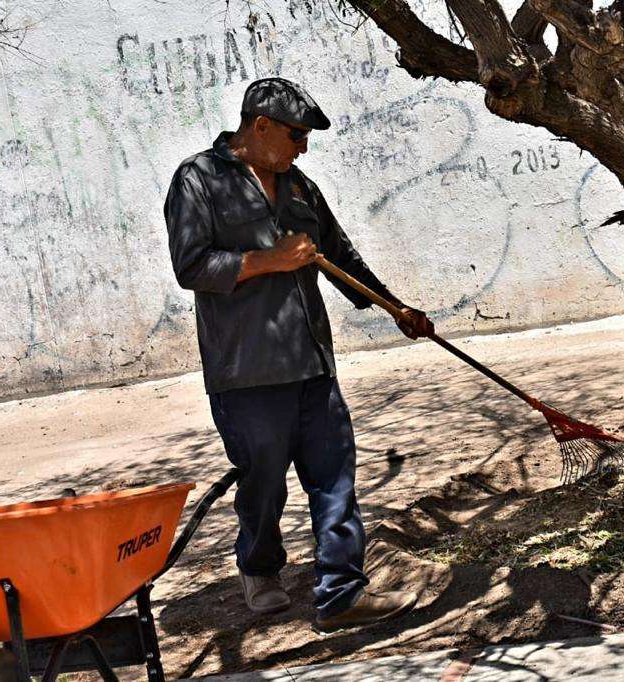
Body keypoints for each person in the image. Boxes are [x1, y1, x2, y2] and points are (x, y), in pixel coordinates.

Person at [163, 77, 434, 632]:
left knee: (335, 478)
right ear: (260, 126)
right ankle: (260, 569)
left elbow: (340, 255)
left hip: (313, 364)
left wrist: (394, 307)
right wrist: (270, 259)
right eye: (297, 135)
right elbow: (191, 267)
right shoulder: (198, 179)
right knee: (263, 483)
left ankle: (340, 593)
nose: (303, 148)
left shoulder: (299, 188)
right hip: (247, 372)